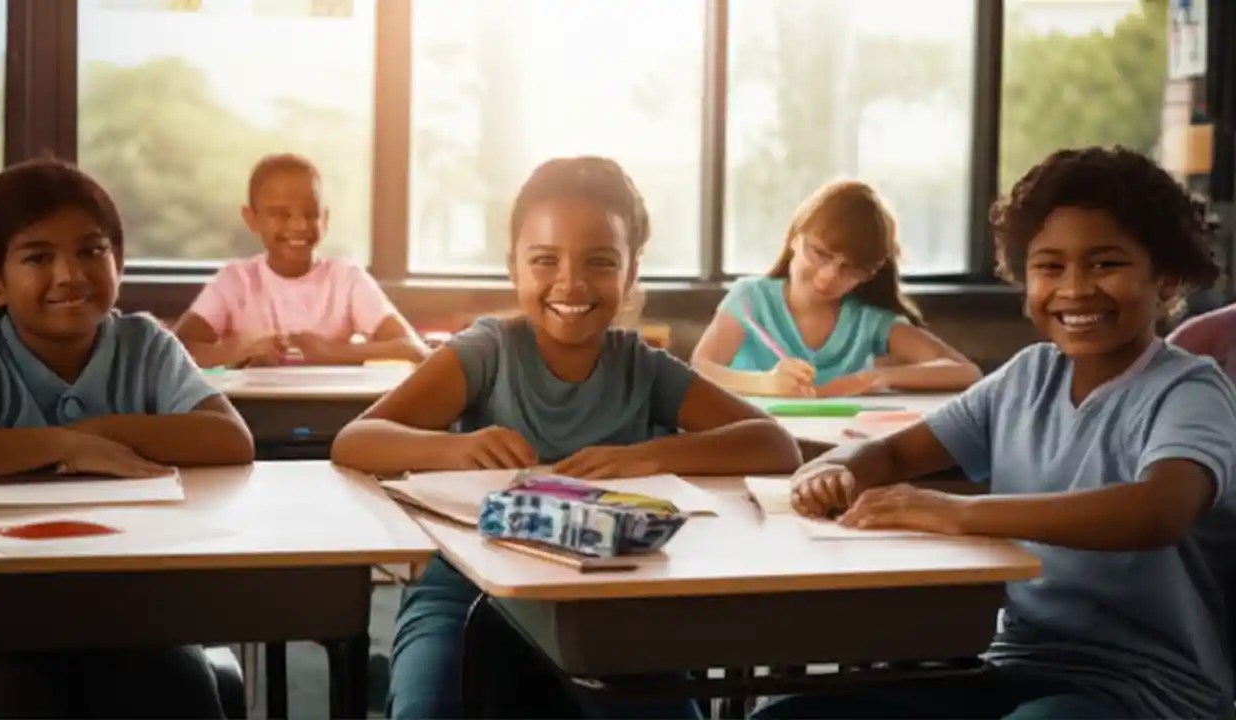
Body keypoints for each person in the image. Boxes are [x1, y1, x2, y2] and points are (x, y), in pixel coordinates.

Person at [765, 147, 1236, 719]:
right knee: (790, 715)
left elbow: (1158, 511)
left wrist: (957, 512)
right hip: (1017, 665)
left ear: (1167, 278)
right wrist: (837, 469)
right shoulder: (1027, 377)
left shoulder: (1190, 389)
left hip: (1152, 691)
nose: (1075, 288)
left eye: (1105, 264)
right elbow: (891, 454)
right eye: (1050, 266)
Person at [332, 156, 802, 718]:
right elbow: (355, 440)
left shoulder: (643, 369)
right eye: (545, 260)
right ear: (514, 268)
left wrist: (646, 457)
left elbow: (775, 445)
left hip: (611, 599)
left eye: (600, 262)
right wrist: (453, 449)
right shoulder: (488, 352)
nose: (571, 283)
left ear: (631, 272)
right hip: (467, 592)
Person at [0, 158, 254, 717]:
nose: (70, 274)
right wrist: (63, 447)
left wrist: (96, 433)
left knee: (178, 688)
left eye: (91, 251)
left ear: (119, 261)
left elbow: (229, 439)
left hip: (136, 613)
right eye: (38, 257)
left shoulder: (146, 345)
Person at [693, 180, 980, 397]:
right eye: (820, 253)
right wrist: (764, 383)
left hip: (836, 455)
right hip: (758, 449)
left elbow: (967, 372)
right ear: (795, 237)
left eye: (851, 269)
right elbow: (700, 369)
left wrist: (873, 378)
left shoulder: (869, 323)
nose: (829, 276)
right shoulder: (750, 300)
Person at [174, 153, 428, 367]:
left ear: (325, 219)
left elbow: (414, 349)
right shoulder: (235, 281)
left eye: (311, 213)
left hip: (330, 410)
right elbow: (177, 351)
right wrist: (238, 351)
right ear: (252, 218)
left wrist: (334, 353)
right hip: (250, 413)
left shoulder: (346, 280)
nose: (299, 225)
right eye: (280, 214)